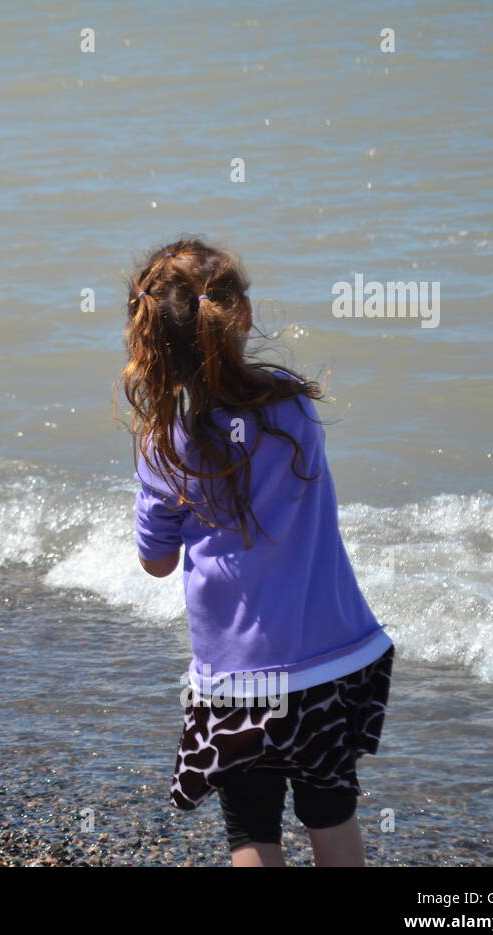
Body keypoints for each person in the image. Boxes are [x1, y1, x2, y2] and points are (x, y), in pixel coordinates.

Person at [120, 238, 393, 867]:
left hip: (239, 680)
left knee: (250, 828)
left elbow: (156, 562)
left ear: (152, 336)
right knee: (332, 808)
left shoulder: (167, 441)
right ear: (240, 314)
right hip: (333, 659)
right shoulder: (292, 406)